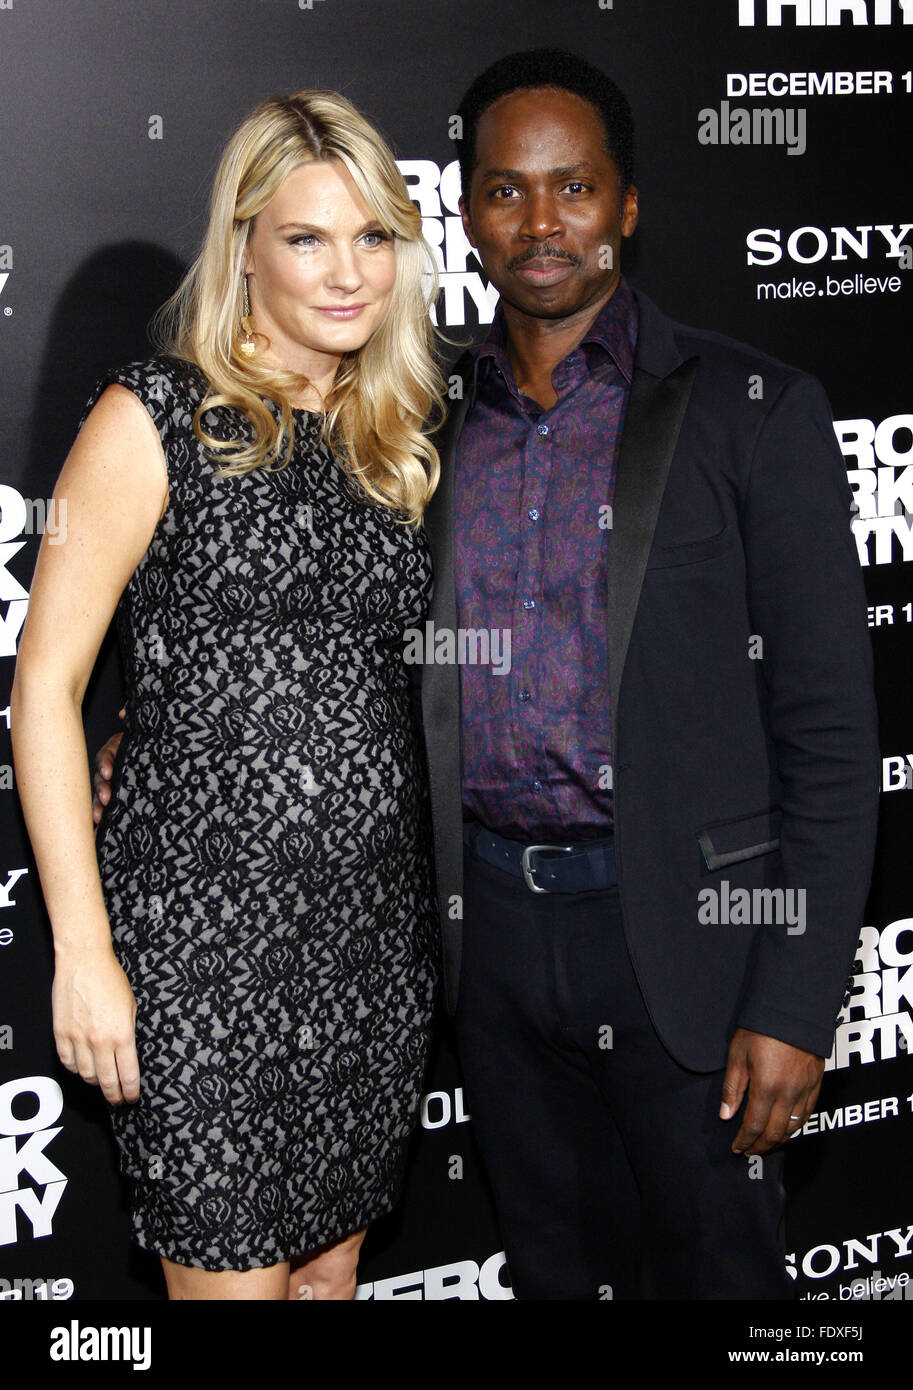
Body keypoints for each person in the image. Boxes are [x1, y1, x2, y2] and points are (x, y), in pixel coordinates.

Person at [415, 49, 878, 1299]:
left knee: (723, 1288)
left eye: (573, 188)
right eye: (507, 191)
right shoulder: (423, 422)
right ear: (467, 212)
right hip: (497, 943)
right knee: (558, 1281)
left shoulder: (750, 408)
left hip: (686, 940)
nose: (540, 222)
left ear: (627, 206)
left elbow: (831, 737)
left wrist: (792, 1001)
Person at [12, 89, 445, 1301]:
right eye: (308, 238)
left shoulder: (396, 432)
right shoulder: (152, 415)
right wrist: (84, 952)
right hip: (202, 962)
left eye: (371, 237)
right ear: (245, 243)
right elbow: (44, 686)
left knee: (328, 1281)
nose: (347, 272)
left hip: (371, 950)